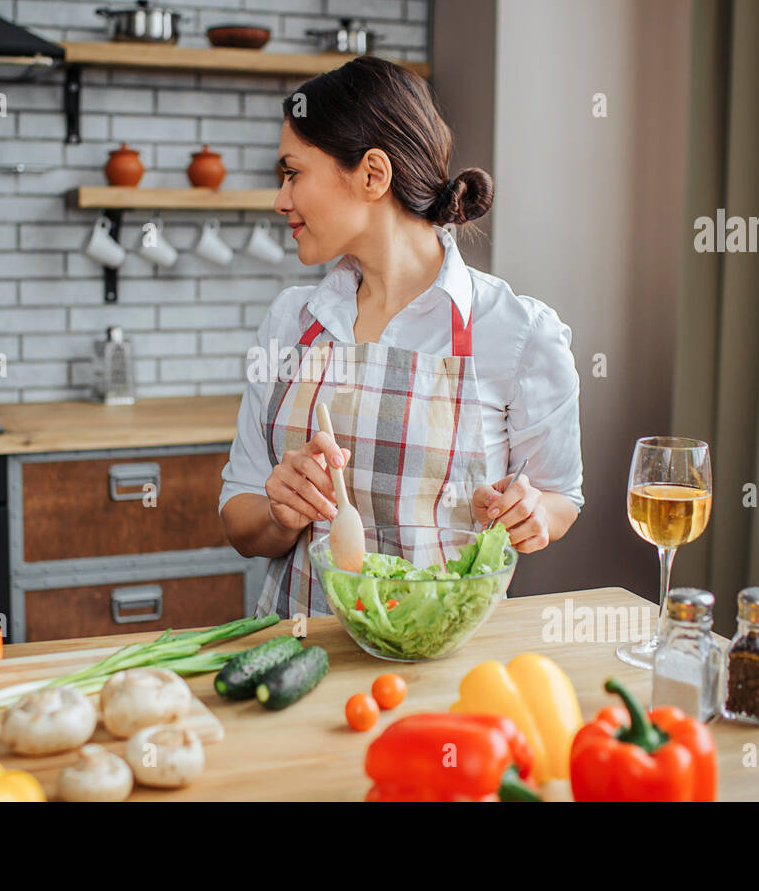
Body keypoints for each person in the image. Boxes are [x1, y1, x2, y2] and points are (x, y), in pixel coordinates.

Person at [219, 56, 584, 619]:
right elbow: (241, 517)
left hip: (445, 665)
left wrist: (532, 516)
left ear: (372, 174)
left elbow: (561, 498)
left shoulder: (518, 332)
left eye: (293, 173)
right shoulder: (291, 322)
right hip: (300, 656)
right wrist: (279, 513)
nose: (280, 200)